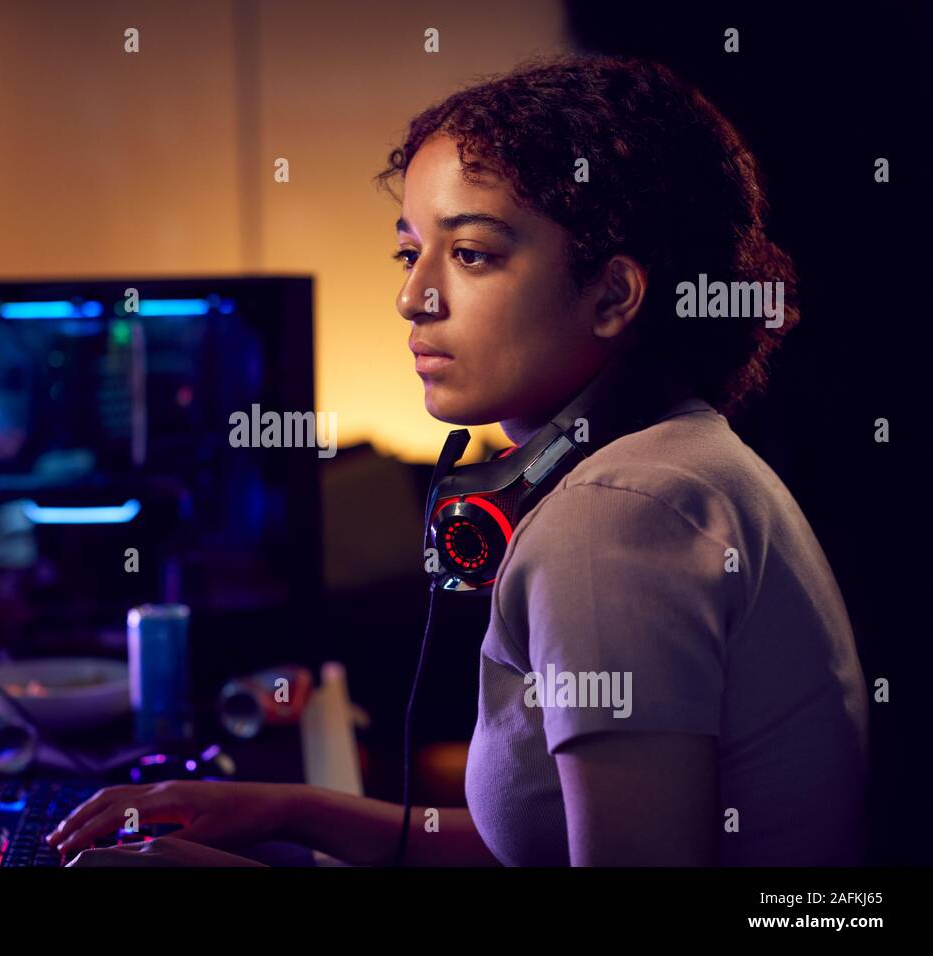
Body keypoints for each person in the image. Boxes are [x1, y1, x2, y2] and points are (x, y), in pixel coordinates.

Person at [46, 54, 869, 867]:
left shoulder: (615, 514)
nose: (414, 298)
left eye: (471, 254)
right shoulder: (678, 462)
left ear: (614, 295)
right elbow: (541, 848)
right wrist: (282, 810)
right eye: (412, 254)